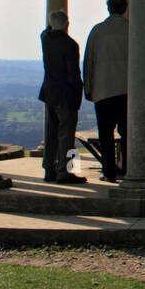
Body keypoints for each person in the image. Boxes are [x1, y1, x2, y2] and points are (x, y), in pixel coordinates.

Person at [84, 0, 130, 182]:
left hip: (103, 90)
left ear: (108, 8)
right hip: (128, 90)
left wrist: (88, 87)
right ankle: (129, 170)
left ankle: (109, 172)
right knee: (128, 133)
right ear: (125, 9)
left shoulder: (98, 31)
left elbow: (88, 61)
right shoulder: (132, 29)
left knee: (105, 134)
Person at [38, 10, 86, 184]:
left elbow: (45, 30)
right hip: (66, 94)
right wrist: (79, 91)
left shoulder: (45, 39)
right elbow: (74, 74)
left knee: (51, 132)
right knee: (66, 134)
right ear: (67, 24)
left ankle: (48, 168)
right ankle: (64, 171)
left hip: (50, 92)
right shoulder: (70, 45)